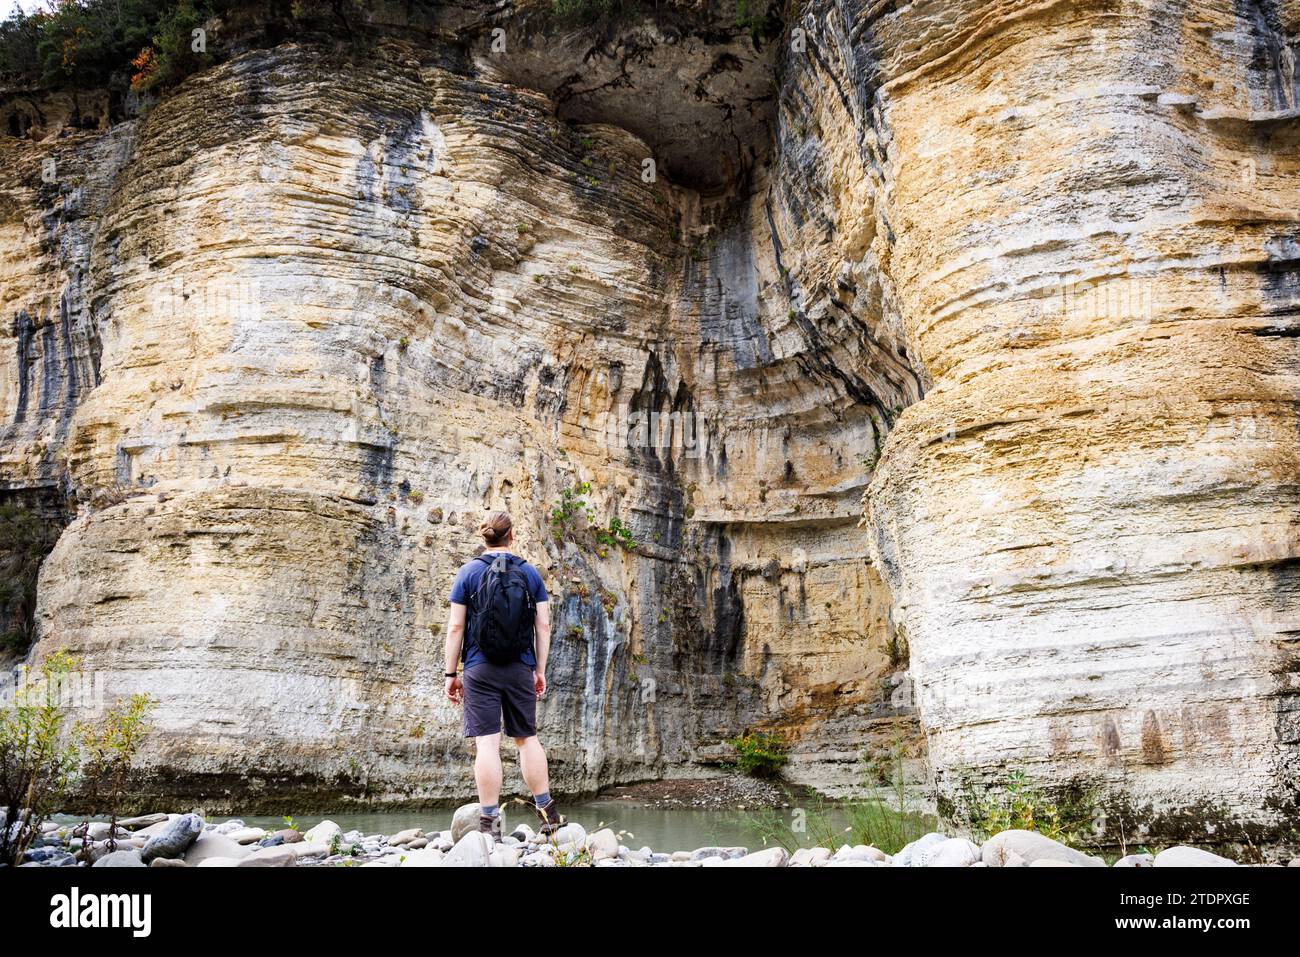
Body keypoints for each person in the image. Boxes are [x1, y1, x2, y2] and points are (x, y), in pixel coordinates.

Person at [444, 510, 563, 841]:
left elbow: (456, 627)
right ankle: (548, 814)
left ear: (485, 537)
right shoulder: (529, 573)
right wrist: (539, 669)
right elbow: (543, 625)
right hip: (520, 667)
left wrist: (451, 673)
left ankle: (490, 826)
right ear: (511, 536)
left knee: (487, 743)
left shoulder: (468, 572)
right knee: (527, 739)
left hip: (479, 667)